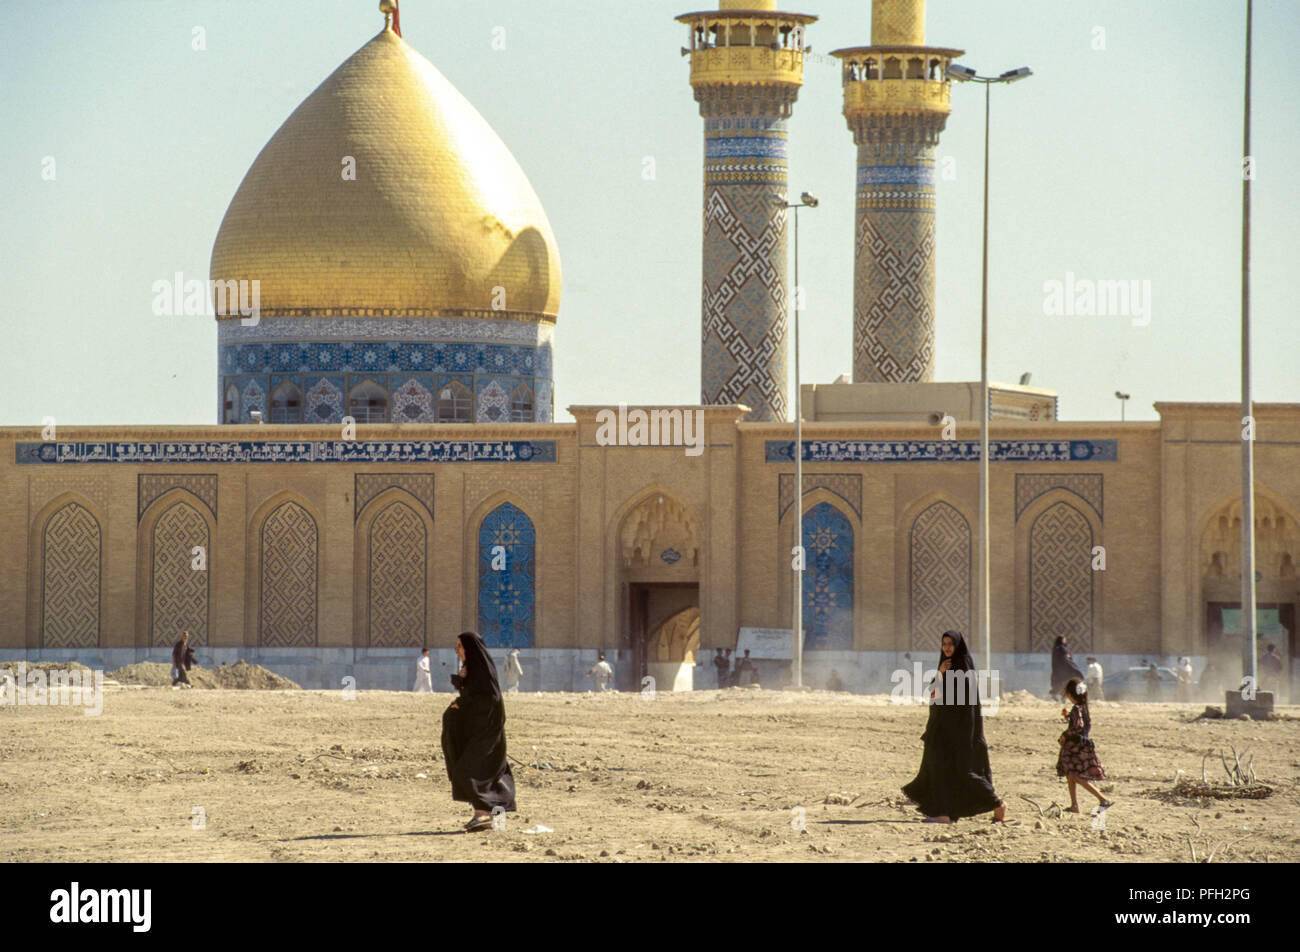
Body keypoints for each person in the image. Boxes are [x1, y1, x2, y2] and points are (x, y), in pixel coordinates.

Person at [901, 630, 1006, 824]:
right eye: (944, 643)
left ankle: (997, 804)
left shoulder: (963, 667)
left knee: (964, 771)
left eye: (951, 643)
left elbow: (966, 706)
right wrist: (939, 674)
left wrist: (962, 736)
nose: (947, 647)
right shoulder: (945, 667)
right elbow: (933, 695)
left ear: (958, 646)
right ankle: (943, 813)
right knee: (939, 769)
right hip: (941, 730)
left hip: (959, 733)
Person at [440, 632, 516, 832]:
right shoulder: (471, 669)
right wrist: (462, 682)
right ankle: (493, 817)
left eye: (460, 646)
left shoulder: (481, 670)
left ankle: (483, 815)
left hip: (487, 730)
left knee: (470, 771)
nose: (456, 650)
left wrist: (462, 702)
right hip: (478, 729)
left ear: (470, 648)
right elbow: (474, 693)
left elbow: (489, 698)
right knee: (487, 770)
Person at [1056, 678, 1112, 813]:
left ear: (1071, 694)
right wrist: (1068, 717)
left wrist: (1065, 735)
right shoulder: (1083, 708)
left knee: (1076, 776)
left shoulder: (1076, 709)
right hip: (1081, 746)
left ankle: (1103, 799)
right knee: (1070, 775)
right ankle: (1074, 805)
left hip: (1076, 747)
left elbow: (1077, 726)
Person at [1050, 636, 1083, 700]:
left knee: (1061, 683)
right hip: (1065, 669)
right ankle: (1061, 696)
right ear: (1061, 640)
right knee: (1066, 682)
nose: (1065, 640)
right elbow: (1067, 656)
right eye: (1064, 639)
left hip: (1058, 670)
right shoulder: (1061, 648)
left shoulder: (1056, 648)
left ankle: (1060, 696)